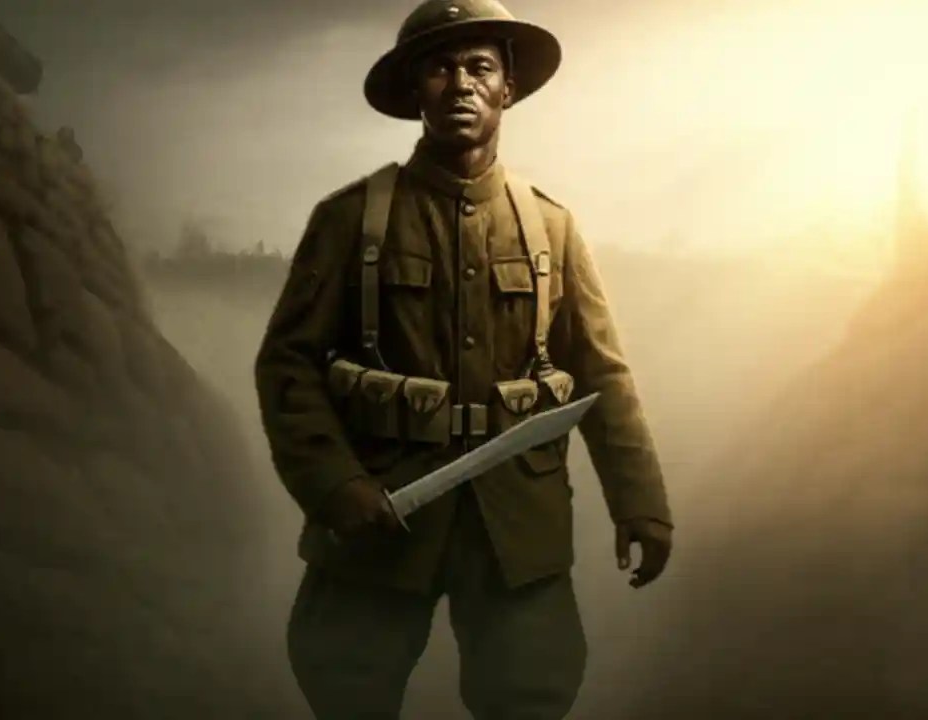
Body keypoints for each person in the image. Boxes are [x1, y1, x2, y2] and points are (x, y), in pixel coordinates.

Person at [254, 1, 673, 717]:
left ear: (508, 88)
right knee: (344, 683)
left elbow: (603, 374)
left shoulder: (552, 226)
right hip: (384, 507)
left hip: (516, 522)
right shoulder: (350, 218)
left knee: (531, 693)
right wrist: (332, 485)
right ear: (415, 89)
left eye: (480, 67)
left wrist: (640, 503)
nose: (460, 84)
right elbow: (288, 364)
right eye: (439, 68)